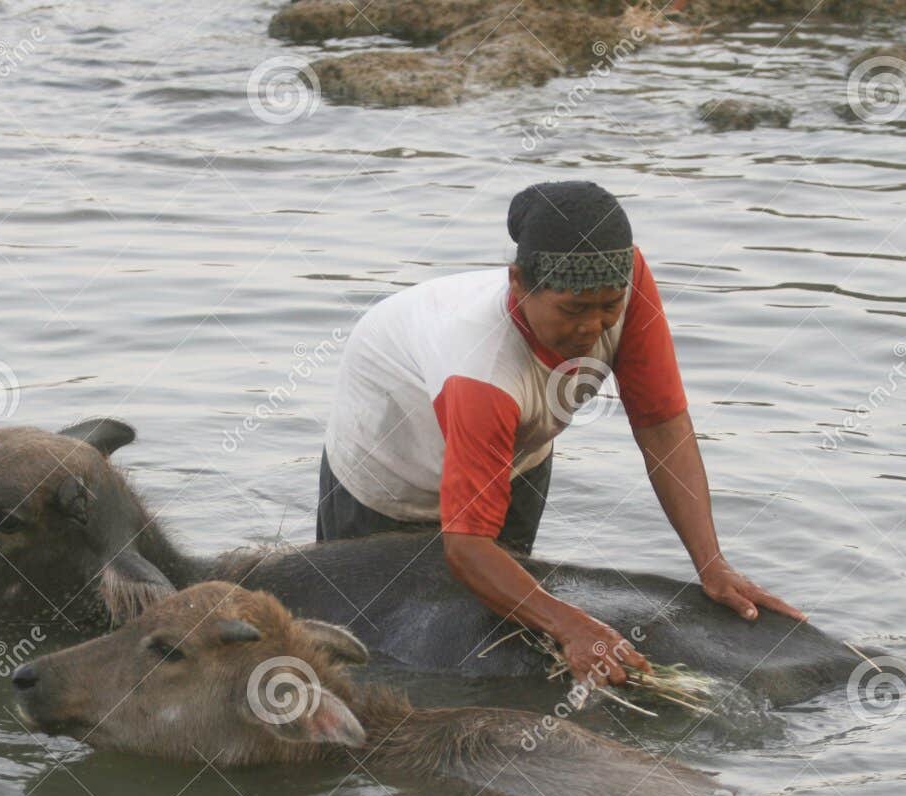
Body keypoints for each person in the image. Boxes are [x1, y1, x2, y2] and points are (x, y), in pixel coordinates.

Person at [317, 180, 802, 685]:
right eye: (573, 309)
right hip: (385, 473)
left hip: (514, 455)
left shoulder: (627, 284)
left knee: (495, 642)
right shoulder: (480, 369)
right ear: (518, 285)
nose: (593, 327)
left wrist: (712, 565)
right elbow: (467, 547)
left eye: (608, 306)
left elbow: (660, 425)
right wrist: (571, 625)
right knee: (369, 660)